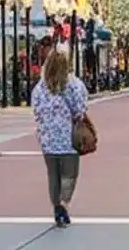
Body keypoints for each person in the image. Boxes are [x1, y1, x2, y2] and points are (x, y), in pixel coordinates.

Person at [32, 50, 89, 227]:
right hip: (68, 137)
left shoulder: (40, 87)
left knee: (53, 174)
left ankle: (56, 206)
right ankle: (64, 202)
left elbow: (36, 109)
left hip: (47, 137)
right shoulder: (73, 84)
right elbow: (80, 109)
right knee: (69, 175)